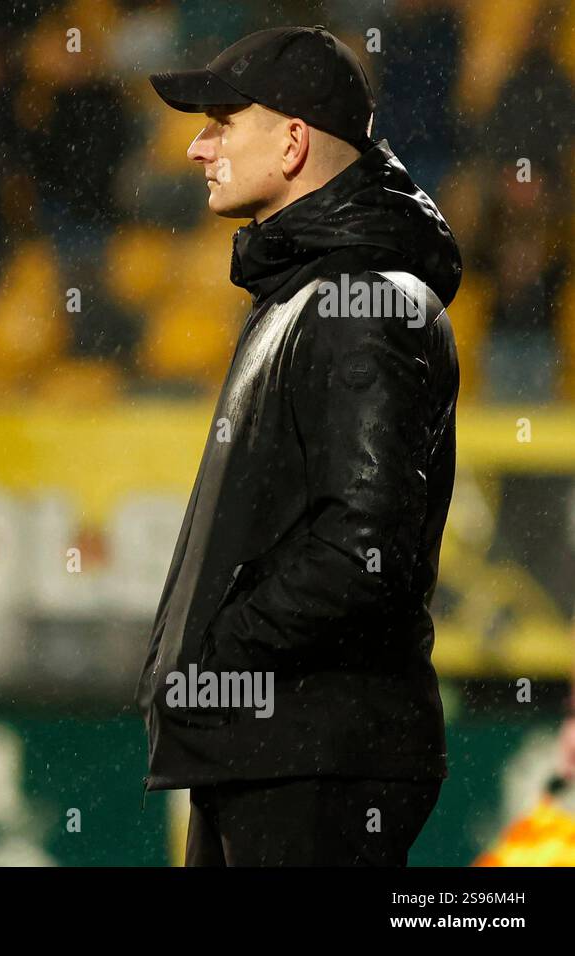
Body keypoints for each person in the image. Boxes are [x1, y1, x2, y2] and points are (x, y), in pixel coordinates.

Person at [134, 26, 463, 866]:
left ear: (292, 141)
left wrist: (220, 650)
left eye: (221, 122)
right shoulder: (312, 289)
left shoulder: (359, 299)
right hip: (280, 746)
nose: (196, 146)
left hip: (314, 754)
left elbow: (364, 550)